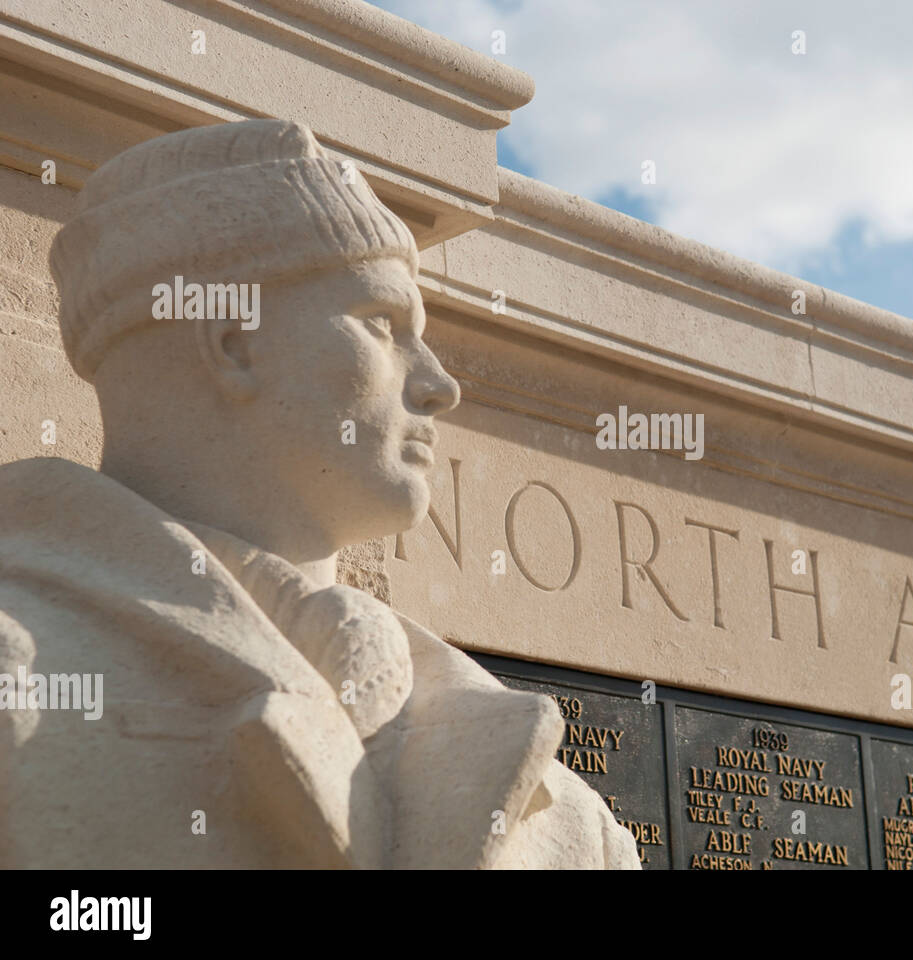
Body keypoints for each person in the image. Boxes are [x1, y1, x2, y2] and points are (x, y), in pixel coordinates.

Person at [0, 118, 639, 869]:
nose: (439, 385)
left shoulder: (571, 822)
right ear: (232, 340)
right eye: (382, 323)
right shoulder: (25, 680)